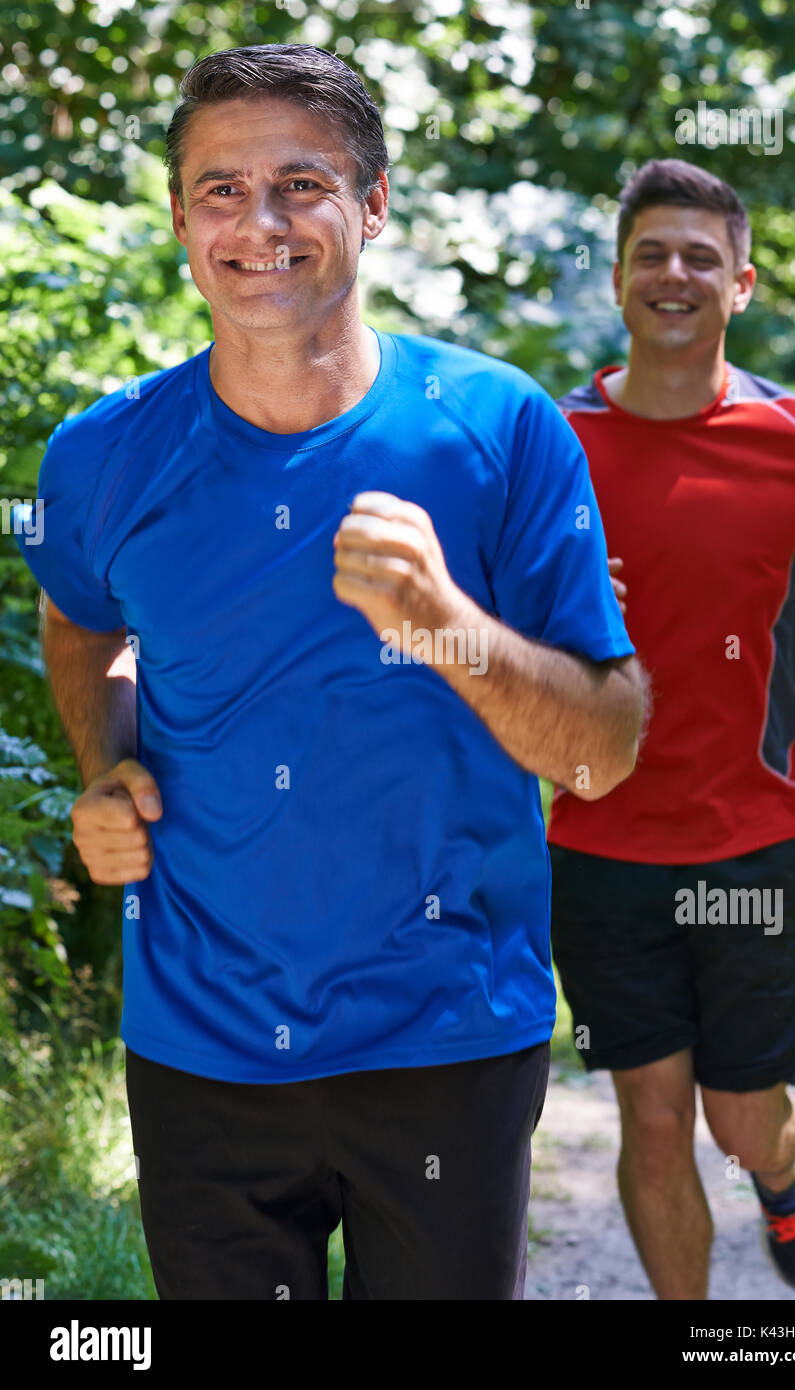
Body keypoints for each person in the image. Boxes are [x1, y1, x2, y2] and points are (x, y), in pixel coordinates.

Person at [14, 43, 645, 1301]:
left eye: (302, 183)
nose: (259, 223)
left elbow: (603, 749)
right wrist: (108, 767)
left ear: (373, 204)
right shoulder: (99, 454)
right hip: (200, 1038)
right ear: (181, 215)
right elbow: (78, 621)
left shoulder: (500, 426)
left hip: (448, 1029)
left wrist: (444, 621)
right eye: (219, 189)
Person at [548, 157, 795, 1300]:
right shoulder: (551, 443)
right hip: (594, 847)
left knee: (739, 1119)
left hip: (752, 843)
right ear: (622, 278)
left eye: (699, 256)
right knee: (649, 1114)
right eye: (651, 253)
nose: (673, 274)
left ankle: (783, 1185)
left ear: (738, 284)